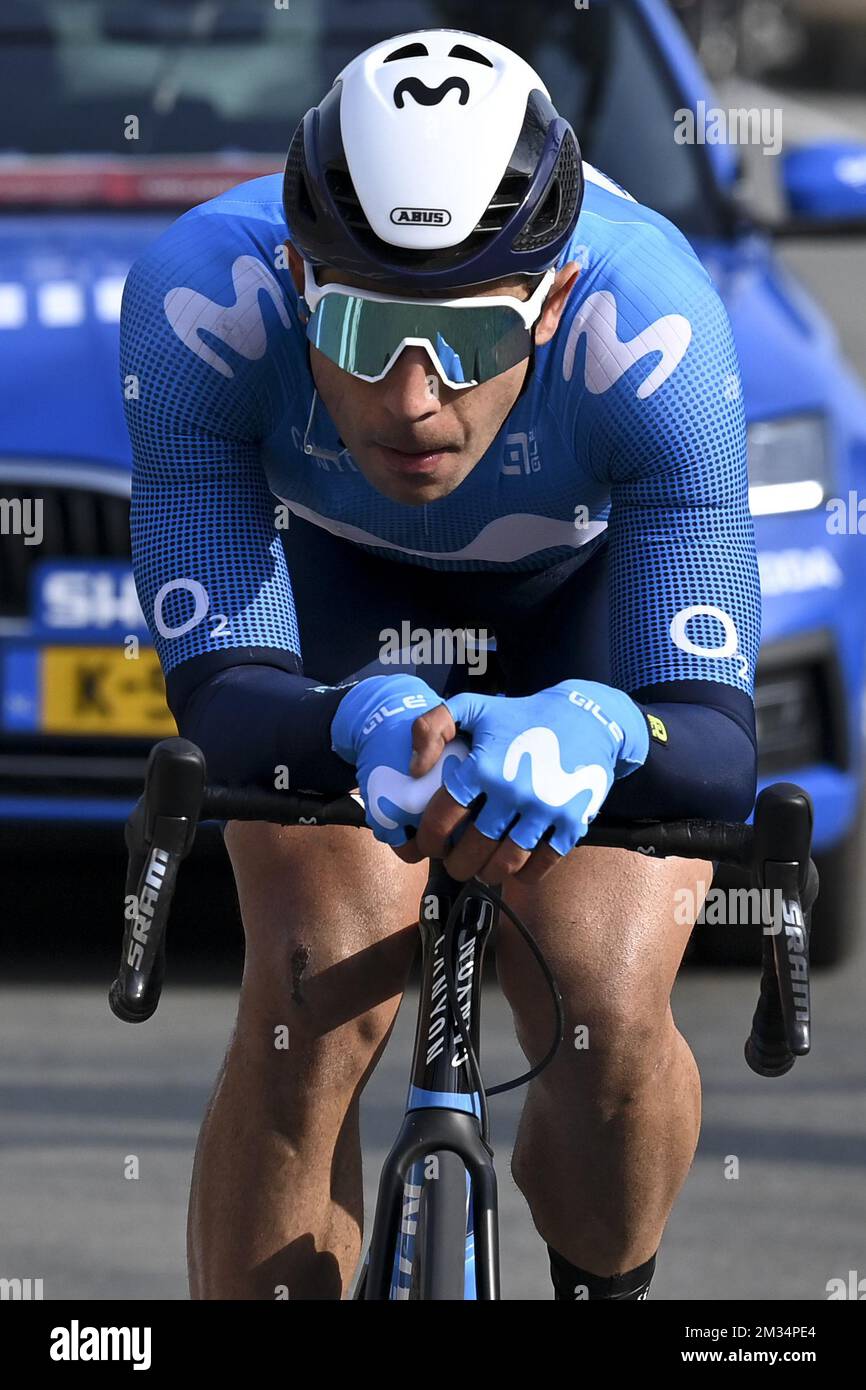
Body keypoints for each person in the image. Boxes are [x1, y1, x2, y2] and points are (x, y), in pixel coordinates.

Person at [120, 28, 760, 1301]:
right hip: (329, 619)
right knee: (314, 994)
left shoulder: (658, 324)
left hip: (583, 623)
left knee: (603, 1010)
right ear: (298, 277)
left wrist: (601, 727)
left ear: (558, 299)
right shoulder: (200, 297)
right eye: (360, 330)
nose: (411, 399)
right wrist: (349, 720)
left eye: (466, 345)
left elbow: (714, 738)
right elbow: (222, 692)